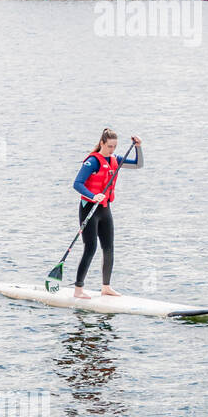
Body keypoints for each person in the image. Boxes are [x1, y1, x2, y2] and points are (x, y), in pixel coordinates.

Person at [71, 128, 143, 299]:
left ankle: (106, 287)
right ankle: (78, 289)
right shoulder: (92, 162)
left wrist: (138, 147)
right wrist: (93, 195)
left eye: (115, 146)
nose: (112, 150)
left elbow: (138, 164)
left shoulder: (115, 160)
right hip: (89, 207)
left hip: (104, 209)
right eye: (110, 146)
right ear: (102, 143)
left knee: (108, 248)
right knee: (90, 248)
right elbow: (77, 183)